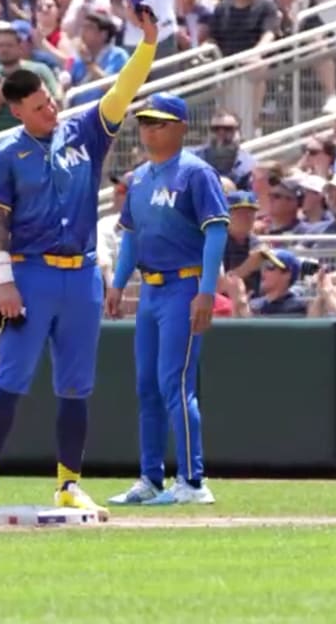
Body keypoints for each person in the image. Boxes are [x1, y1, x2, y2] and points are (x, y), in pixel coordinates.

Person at [0, 0, 164, 514]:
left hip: (79, 275)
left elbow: (121, 94)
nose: (49, 109)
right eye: (37, 106)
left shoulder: (81, 129)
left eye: (50, 99)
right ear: (17, 111)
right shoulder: (4, 152)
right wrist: (3, 282)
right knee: (10, 378)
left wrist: (147, 45)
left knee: (76, 386)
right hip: (26, 273)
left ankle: (69, 483)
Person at [104, 92, 229, 507]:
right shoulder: (138, 178)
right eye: (144, 122)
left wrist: (206, 291)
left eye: (158, 122)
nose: (148, 129)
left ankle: (193, 481)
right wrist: (119, 284)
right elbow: (131, 237)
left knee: (176, 383)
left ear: (180, 127)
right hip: (152, 290)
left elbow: (215, 232)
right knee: (147, 387)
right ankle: (151, 477)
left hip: (184, 285)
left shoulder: (196, 173)